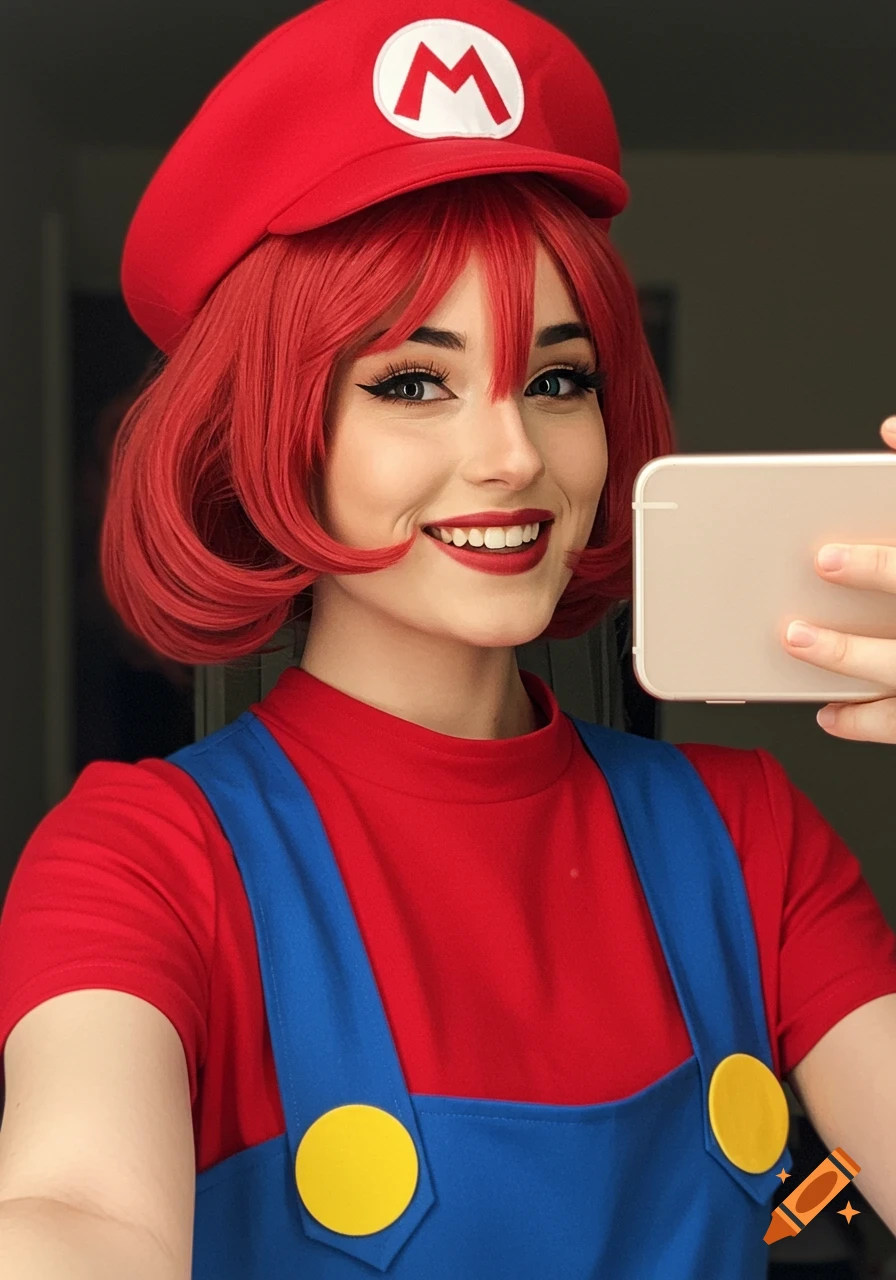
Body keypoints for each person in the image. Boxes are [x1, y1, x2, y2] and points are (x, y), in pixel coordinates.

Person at [1, 0, 895, 1276]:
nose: (513, 454)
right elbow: (75, 1211)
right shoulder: (143, 858)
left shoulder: (748, 834)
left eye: (556, 377)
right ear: (263, 436)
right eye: (410, 381)